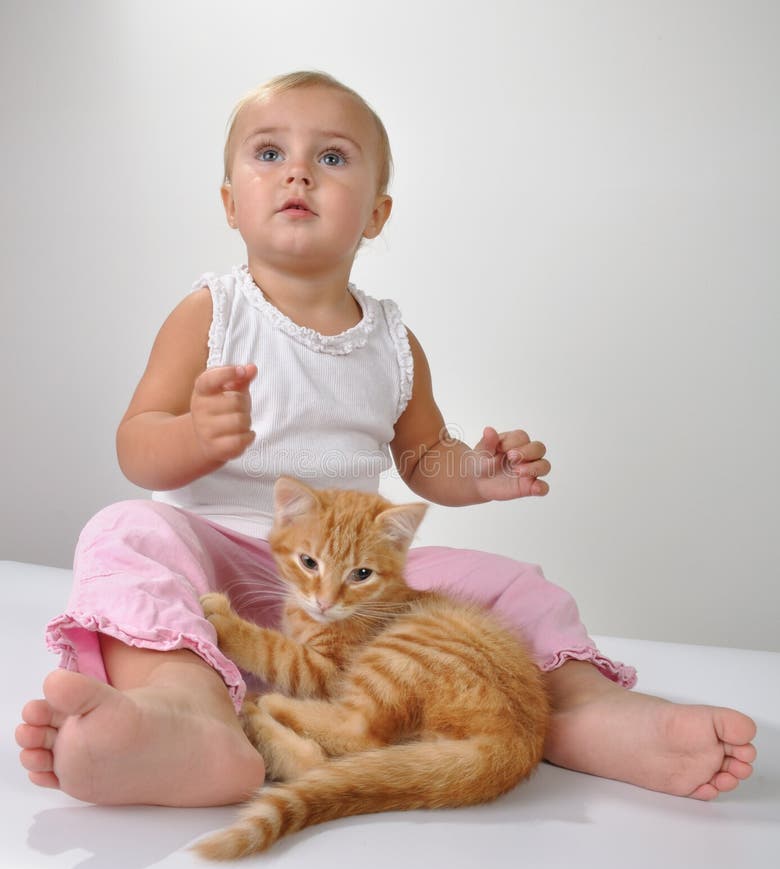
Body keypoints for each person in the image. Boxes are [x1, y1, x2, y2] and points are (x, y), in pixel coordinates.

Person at [16, 71, 756, 807]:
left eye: (331, 157)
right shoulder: (211, 313)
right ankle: (187, 714)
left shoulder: (393, 341)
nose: (298, 171)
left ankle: (584, 711)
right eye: (269, 153)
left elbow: (424, 457)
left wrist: (476, 473)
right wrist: (194, 435)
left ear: (376, 213)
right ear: (229, 204)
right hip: (211, 557)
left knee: (509, 584)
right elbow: (136, 442)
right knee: (125, 531)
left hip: (353, 591)